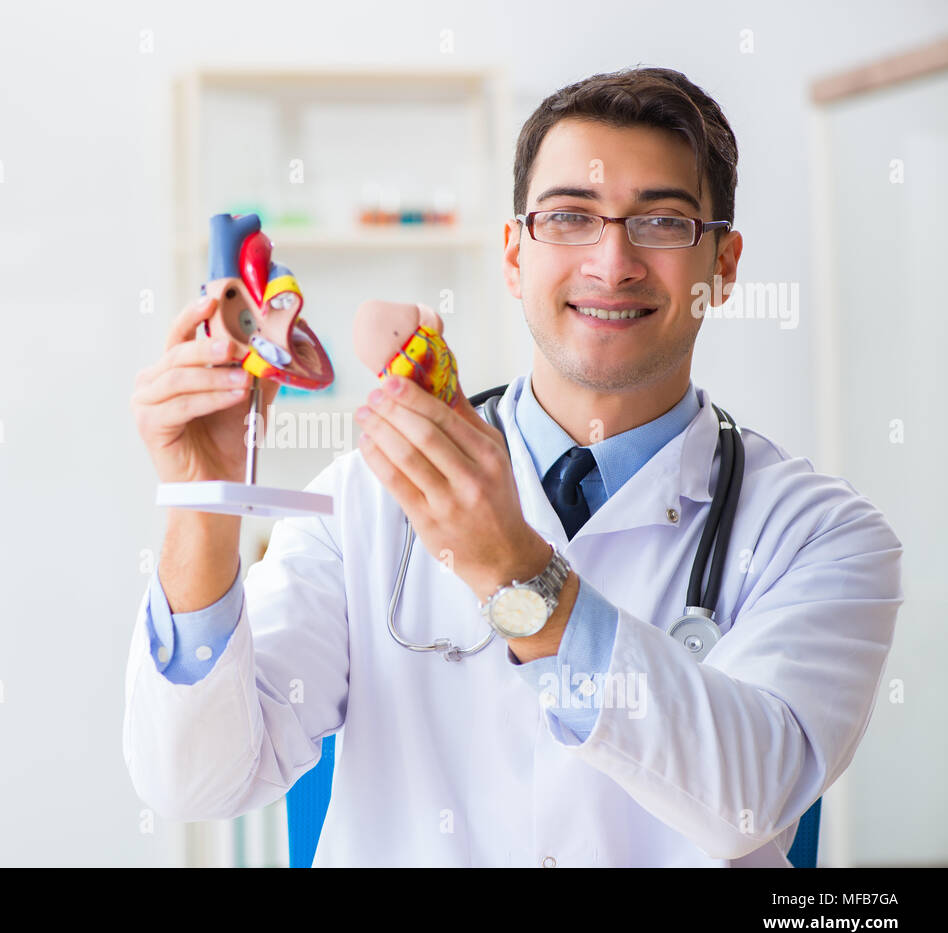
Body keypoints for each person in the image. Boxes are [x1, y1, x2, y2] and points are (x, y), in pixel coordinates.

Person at [125, 67, 904, 866]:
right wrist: (204, 499)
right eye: (570, 217)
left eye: (662, 222)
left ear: (725, 264)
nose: (613, 261)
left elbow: (752, 797)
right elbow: (198, 783)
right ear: (513, 254)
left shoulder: (826, 537)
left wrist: (515, 572)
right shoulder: (361, 502)